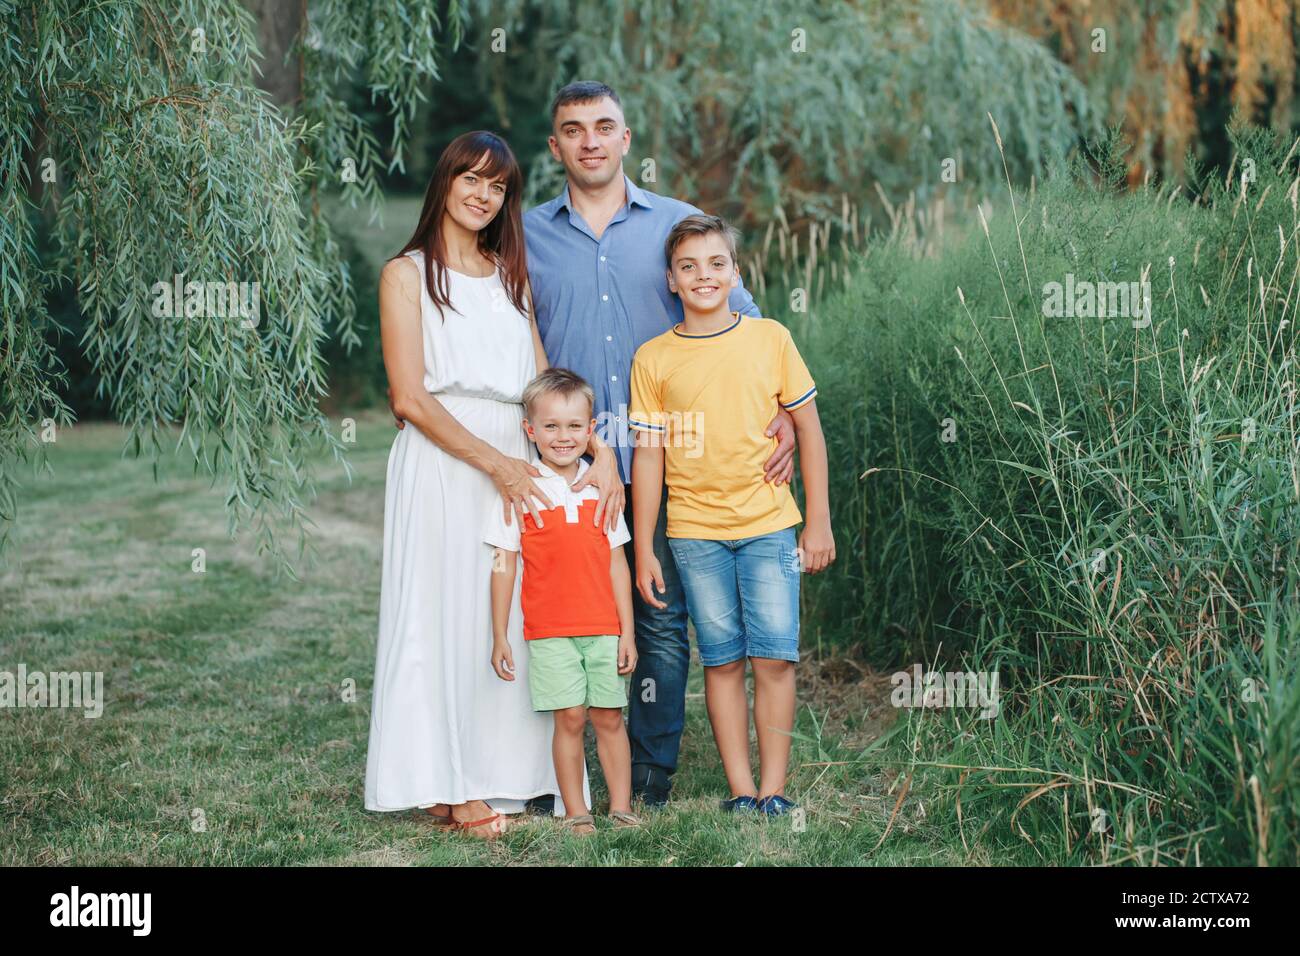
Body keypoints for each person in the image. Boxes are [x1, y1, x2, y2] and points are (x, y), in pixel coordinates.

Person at [523, 80, 798, 808]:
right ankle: (546, 760)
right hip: (571, 463)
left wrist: (789, 421)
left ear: (625, 139)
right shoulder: (526, 237)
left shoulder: (679, 228)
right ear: (556, 146)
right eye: (573, 129)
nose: (590, 140)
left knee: (661, 615)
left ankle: (649, 772)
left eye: (604, 126)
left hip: (676, 457)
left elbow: (753, 334)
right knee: (567, 610)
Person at [364, 130, 618, 837]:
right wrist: (496, 462)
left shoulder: (510, 272)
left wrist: (598, 450)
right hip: (446, 459)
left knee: (505, 617)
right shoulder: (406, 274)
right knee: (441, 614)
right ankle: (446, 779)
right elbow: (409, 397)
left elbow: (543, 383)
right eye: (470, 178)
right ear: (445, 183)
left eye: (498, 185)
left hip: (519, 453)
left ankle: (492, 776)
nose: (483, 194)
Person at [628, 214, 835, 816]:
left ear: (735, 272)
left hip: (770, 524)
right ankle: (741, 792)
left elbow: (809, 430)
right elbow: (647, 457)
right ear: (671, 279)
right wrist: (644, 545)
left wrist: (816, 521)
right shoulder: (654, 359)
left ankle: (774, 790)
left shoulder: (770, 338)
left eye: (717, 263)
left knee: (774, 656)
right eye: (688, 266)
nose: (704, 276)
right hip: (694, 531)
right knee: (722, 659)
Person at [484, 368, 641, 835]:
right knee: (570, 717)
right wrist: (498, 635)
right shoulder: (522, 490)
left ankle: (622, 805)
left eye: (574, 426)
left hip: (603, 627)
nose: (562, 436)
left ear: (591, 431)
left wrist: (627, 632)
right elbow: (503, 564)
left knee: (609, 717)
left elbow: (618, 565)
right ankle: (576, 811)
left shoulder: (602, 489)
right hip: (550, 629)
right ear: (530, 430)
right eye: (550, 426)